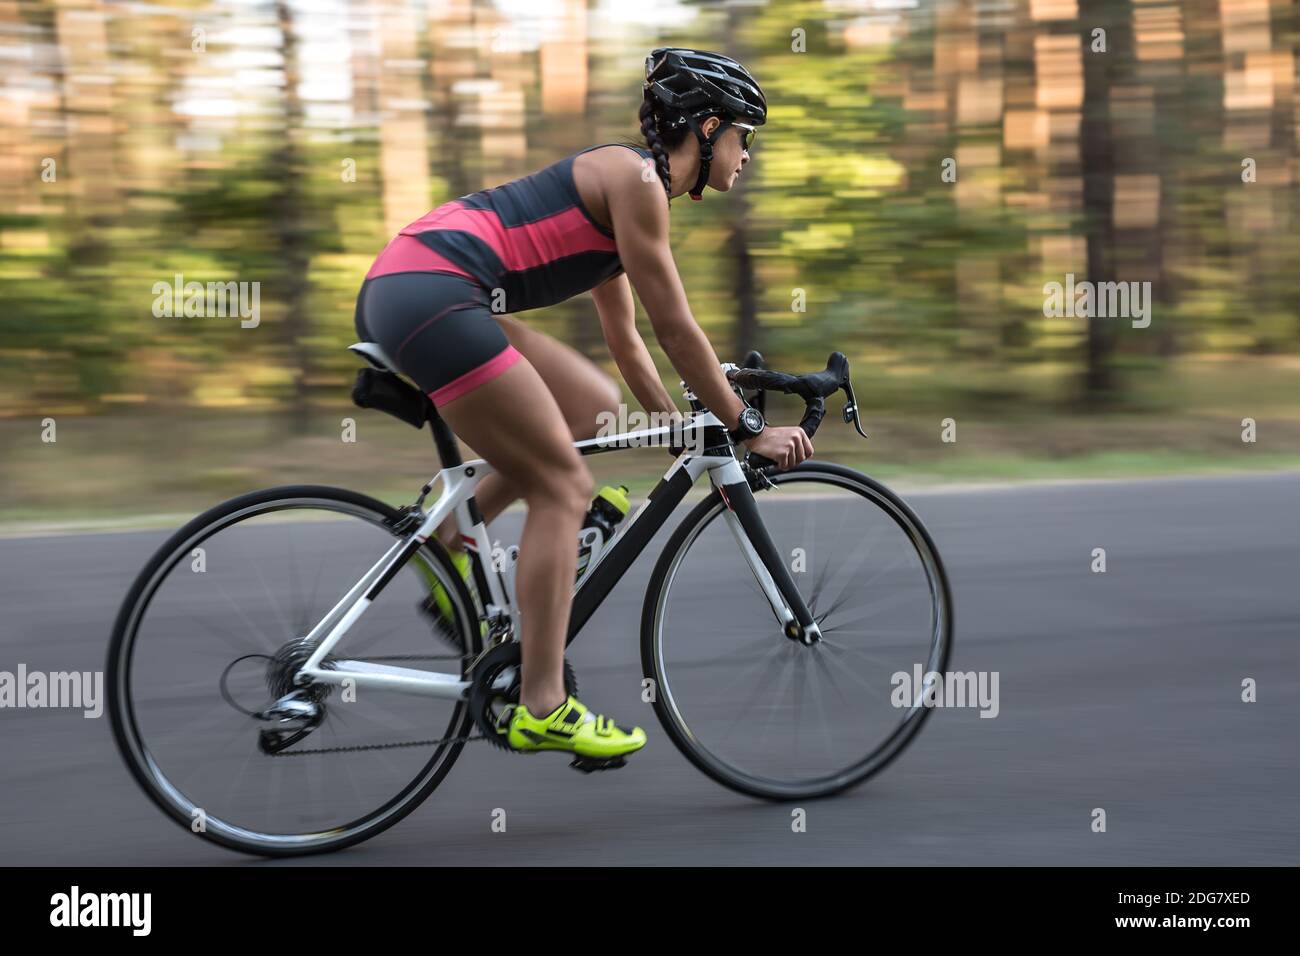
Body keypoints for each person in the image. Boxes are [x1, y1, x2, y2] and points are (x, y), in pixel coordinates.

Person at [352, 48, 813, 764]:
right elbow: (676, 329)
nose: (745, 154)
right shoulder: (637, 184)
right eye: (742, 136)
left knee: (594, 406)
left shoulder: (625, 190)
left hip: (422, 283)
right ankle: (543, 705)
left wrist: (672, 422)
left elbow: (628, 341)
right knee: (564, 485)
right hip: (433, 291)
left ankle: (448, 536)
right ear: (708, 124)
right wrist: (745, 426)